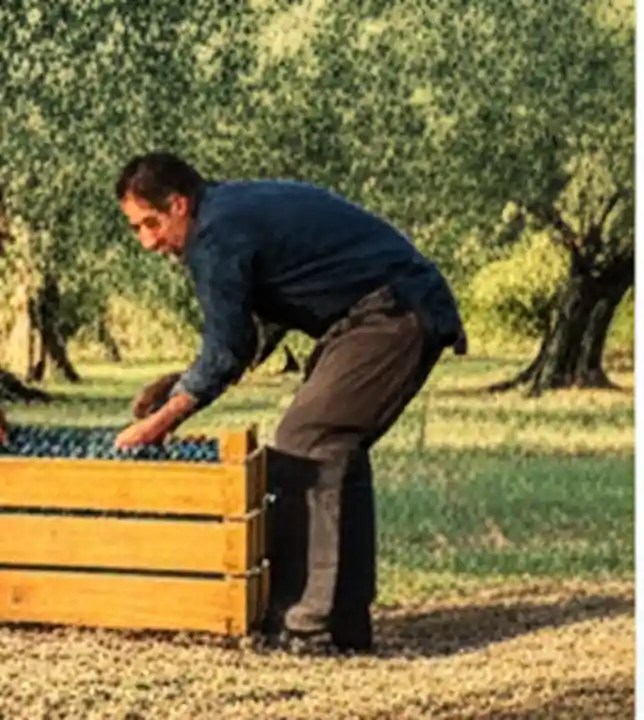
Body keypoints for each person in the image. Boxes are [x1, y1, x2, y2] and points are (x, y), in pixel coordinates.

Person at [113, 151, 466, 653]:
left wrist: (163, 420)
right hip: (387, 310)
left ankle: (307, 624)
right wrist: (177, 386)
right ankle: (343, 622)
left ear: (178, 205)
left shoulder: (214, 236)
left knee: (308, 440)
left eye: (150, 224)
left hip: (393, 314)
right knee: (334, 447)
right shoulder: (231, 210)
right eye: (135, 230)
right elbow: (250, 334)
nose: (148, 242)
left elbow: (228, 350)